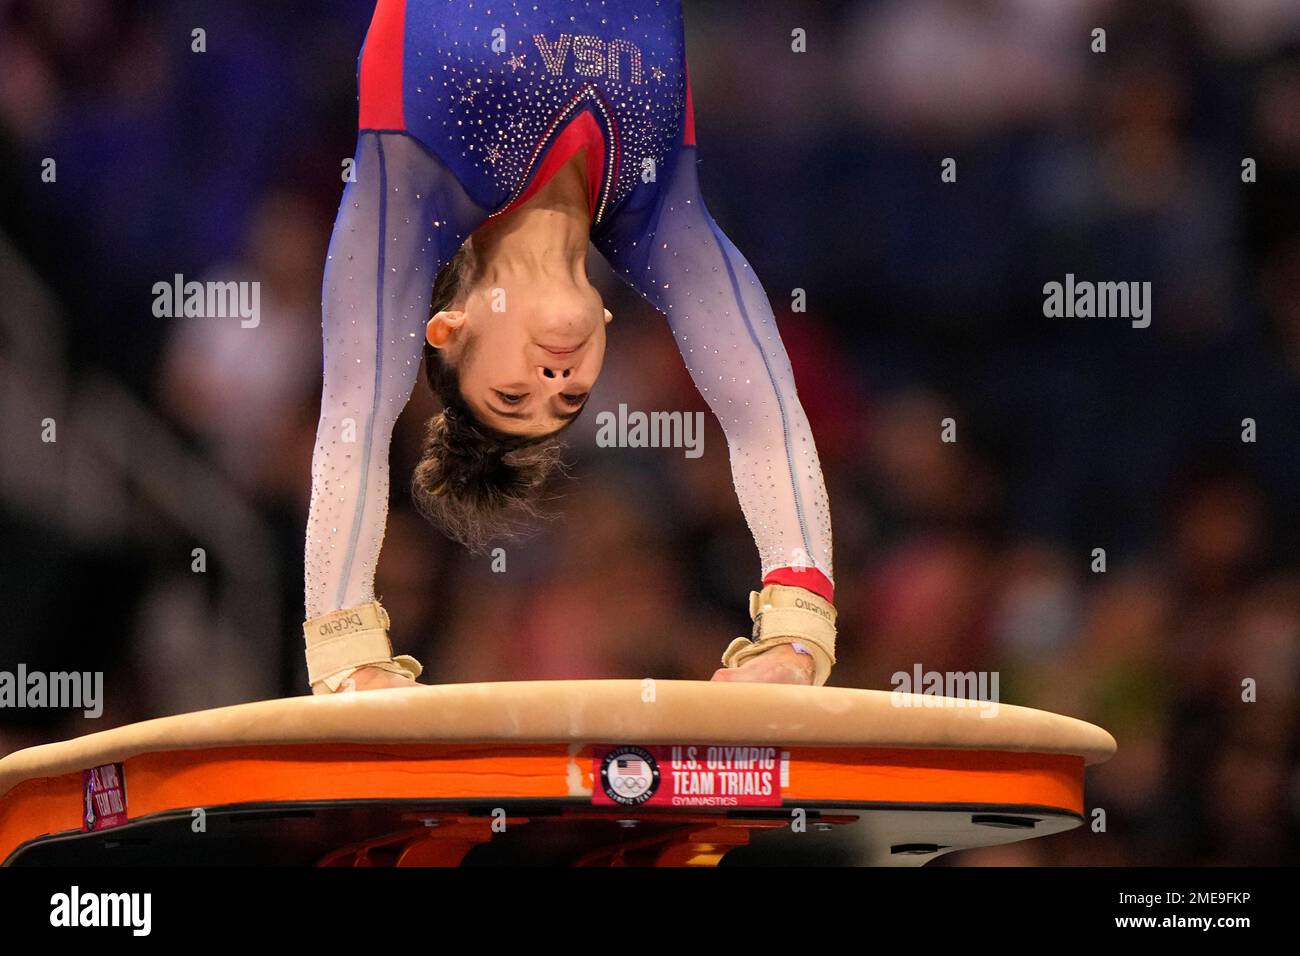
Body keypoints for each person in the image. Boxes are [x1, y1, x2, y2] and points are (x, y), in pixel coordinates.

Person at [301, 0, 837, 695]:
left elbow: (354, 417)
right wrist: (798, 635)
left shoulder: (411, 184)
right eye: (570, 397)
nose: (554, 378)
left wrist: (347, 657)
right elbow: (767, 413)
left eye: (513, 393)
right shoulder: (657, 210)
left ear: (451, 325)